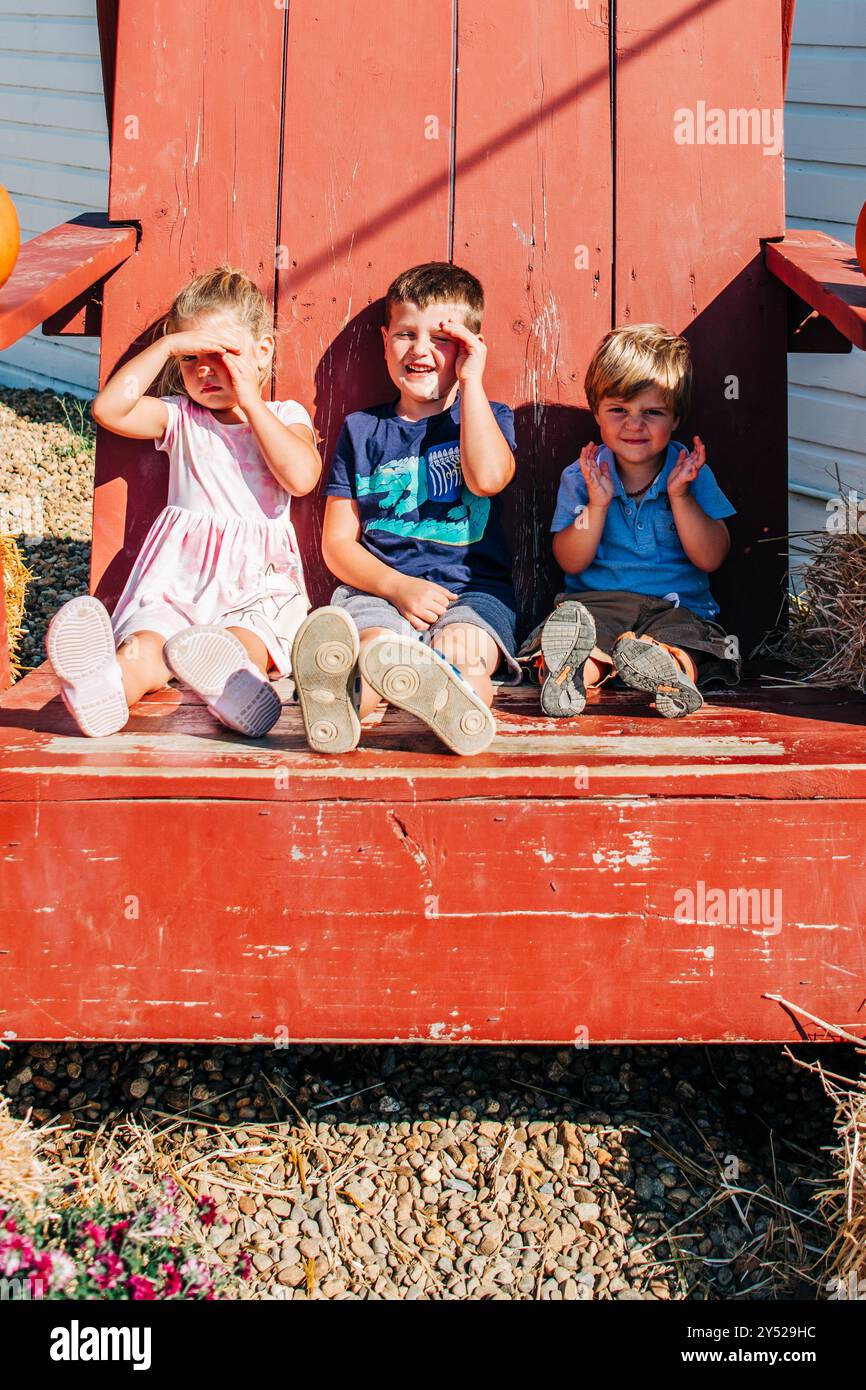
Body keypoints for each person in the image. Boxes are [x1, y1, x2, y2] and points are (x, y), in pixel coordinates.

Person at [46, 266, 320, 738]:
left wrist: (251, 402)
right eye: (190, 358)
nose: (205, 369)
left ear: (262, 353)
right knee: (148, 642)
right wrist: (168, 346)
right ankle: (109, 685)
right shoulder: (179, 417)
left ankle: (236, 688)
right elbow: (109, 410)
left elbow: (300, 477)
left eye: (220, 354)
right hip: (180, 577)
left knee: (244, 638)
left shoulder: (281, 415)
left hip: (256, 579)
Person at [292, 261, 521, 756]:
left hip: (470, 594)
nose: (420, 350)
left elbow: (487, 479)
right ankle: (345, 703)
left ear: (468, 346)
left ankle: (461, 709)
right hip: (380, 589)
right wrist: (397, 587)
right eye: (404, 334)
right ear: (383, 341)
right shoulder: (361, 430)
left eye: (440, 338)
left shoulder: (488, 418)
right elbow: (336, 544)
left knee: (465, 652)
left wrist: (472, 382)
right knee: (375, 646)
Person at [520, 324, 740, 717]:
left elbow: (711, 557)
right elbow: (570, 560)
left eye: (651, 412)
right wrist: (598, 505)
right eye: (619, 410)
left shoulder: (689, 472)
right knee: (578, 637)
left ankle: (670, 675)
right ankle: (571, 676)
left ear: (675, 418)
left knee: (692, 641)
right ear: (597, 412)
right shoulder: (583, 475)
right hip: (596, 607)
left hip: (677, 608)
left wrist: (681, 497)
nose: (634, 425)